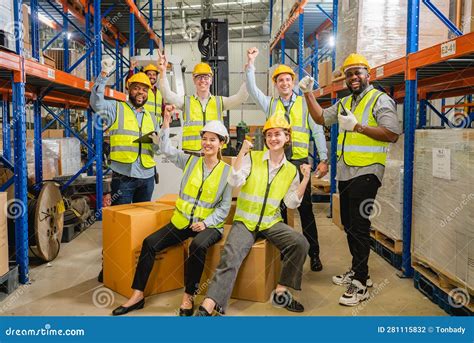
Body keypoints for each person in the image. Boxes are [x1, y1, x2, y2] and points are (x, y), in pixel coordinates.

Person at [299, 53, 401, 306]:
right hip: (345, 172)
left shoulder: (380, 100)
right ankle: (358, 272)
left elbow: (392, 133)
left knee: (359, 224)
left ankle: (361, 283)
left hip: (367, 171)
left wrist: (358, 127)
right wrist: (308, 93)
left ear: (369, 74)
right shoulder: (346, 102)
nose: (354, 77)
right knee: (348, 223)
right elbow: (321, 118)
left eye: (358, 72)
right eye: (349, 73)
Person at [112, 106, 232, 316]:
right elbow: (166, 149)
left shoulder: (227, 172)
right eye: (205, 138)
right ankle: (137, 295)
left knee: (197, 246)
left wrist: (206, 223)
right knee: (149, 244)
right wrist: (166, 121)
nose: (207, 143)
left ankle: (188, 297)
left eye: (213, 140)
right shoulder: (190, 161)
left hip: (209, 225)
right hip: (182, 221)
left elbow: (224, 207)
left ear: (221, 143)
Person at [194, 116, 311, 316]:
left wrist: (306, 179)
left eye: (278, 134)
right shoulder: (253, 158)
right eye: (269, 135)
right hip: (245, 222)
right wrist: (241, 152)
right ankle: (210, 304)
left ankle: (281, 291)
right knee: (230, 256)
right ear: (265, 139)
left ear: (287, 137)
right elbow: (234, 179)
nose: (273, 138)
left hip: (270, 222)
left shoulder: (291, 170)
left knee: (300, 243)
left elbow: (291, 202)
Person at [245, 47, 329, 272]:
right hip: (278, 163)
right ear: (276, 84)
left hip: (300, 163)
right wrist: (251, 63)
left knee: (305, 210)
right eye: (280, 80)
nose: (284, 83)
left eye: (287, 79)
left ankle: (314, 254)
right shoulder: (270, 104)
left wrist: (324, 158)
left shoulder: (304, 103)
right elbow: (252, 90)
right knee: (279, 208)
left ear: (293, 82)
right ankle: (284, 252)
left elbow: (318, 131)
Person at [90, 58, 160, 206]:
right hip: (123, 177)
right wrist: (104, 75)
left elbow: (157, 149)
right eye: (136, 88)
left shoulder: (152, 117)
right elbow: (96, 103)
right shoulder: (116, 108)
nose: (141, 92)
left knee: (143, 221)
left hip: (147, 176)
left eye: (144, 89)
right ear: (128, 89)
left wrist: (157, 143)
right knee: (122, 220)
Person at [157, 52, 248, 154]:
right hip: (191, 154)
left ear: (211, 80)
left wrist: (248, 75)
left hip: (215, 154)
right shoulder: (186, 102)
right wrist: (163, 72)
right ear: (194, 80)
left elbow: (241, 97)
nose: (202, 80)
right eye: (199, 77)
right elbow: (167, 95)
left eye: (206, 77)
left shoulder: (220, 102)